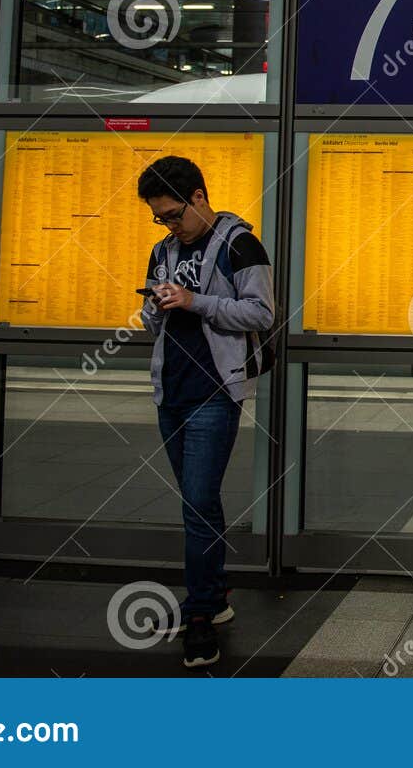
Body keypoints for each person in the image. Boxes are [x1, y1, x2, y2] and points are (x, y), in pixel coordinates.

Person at [136, 155, 273, 669]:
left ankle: (198, 614)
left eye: (173, 214)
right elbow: (155, 322)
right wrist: (156, 305)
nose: (169, 225)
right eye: (159, 218)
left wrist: (194, 301)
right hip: (170, 391)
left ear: (199, 197)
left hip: (216, 391)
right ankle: (212, 600)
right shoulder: (162, 251)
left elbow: (262, 313)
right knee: (199, 503)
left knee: (197, 504)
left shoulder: (240, 244)